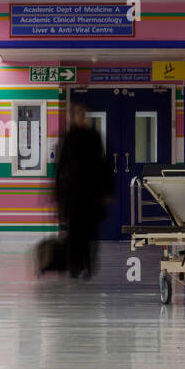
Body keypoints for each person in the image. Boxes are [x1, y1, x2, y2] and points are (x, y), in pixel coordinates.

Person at [53, 103, 113, 278]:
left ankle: (87, 265)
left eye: (84, 113)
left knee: (89, 232)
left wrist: (108, 189)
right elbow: (60, 167)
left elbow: (103, 164)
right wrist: (56, 195)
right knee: (74, 232)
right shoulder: (68, 138)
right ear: (73, 116)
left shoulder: (94, 136)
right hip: (73, 194)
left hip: (91, 194)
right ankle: (74, 266)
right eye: (78, 113)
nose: (81, 116)